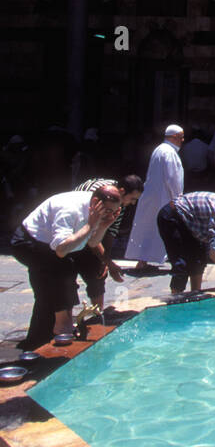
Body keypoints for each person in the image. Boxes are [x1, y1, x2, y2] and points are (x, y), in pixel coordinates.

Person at [11, 184, 123, 348]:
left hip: (53, 247)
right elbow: (61, 250)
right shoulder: (69, 210)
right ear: (96, 202)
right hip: (29, 243)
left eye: (114, 211)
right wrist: (91, 226)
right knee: (59, 279)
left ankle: (39, 340)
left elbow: (92, 242)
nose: (109, 214)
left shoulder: (96, 210)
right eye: (107, 210)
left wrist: (103, 225)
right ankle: (59, 330)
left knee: (49, 293)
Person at [74, 174, 144, 309]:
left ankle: (98, 312)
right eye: (132, 199)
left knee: (99, 271)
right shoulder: (101, 196)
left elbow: (111, 231)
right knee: (80, 269)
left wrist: (105, 259)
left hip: (91, 229)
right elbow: (90, 235)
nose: (133, 203)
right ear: (122, 191)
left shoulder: (119, 203)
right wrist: (107, 262)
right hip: (76, 227)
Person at [124, 125, 185, 267]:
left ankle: (142, 260)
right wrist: (178, 199)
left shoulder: (160, 149)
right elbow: (172, 178)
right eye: (181, 137)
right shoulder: (168, 152)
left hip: (153, 196)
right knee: (160, 228)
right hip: (163, 197)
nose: (183, 140)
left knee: (147, 228)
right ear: (174, 137)